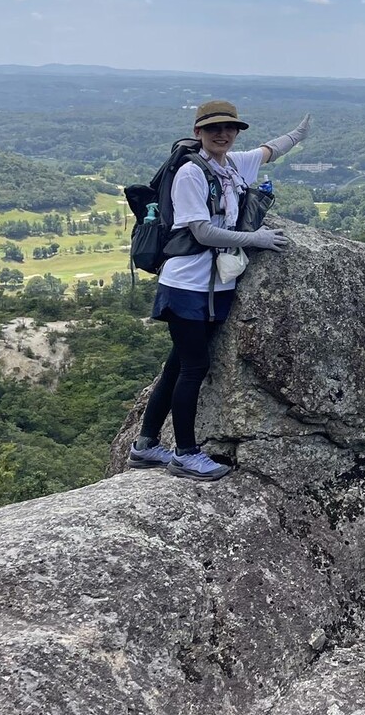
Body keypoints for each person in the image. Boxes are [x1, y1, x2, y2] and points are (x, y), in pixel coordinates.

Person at [128, 100, 311, 481]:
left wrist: (300, 132)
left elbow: (271, 150)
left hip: (212, 287)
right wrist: (254, 238)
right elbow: (201, 231)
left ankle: (145, 446)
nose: (223, 134)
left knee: (177, 365)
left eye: (230, 128)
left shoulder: (232, 164)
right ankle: (185, 454)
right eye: (214, 129)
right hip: (186, 285)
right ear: (199, 133)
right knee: (194, 367)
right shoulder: (191, 174)